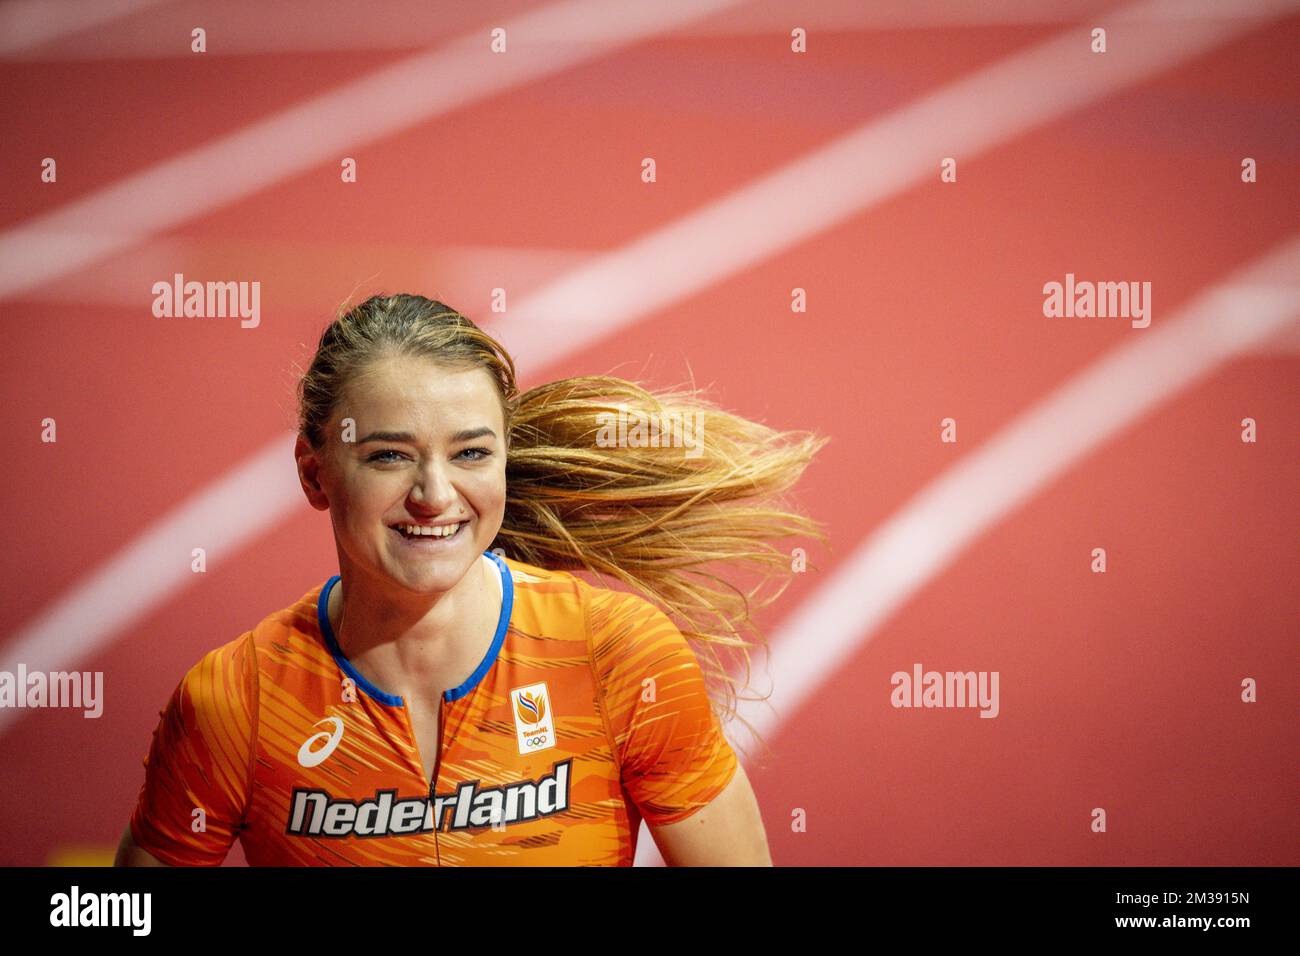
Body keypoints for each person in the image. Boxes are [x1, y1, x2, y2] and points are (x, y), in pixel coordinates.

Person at [115, 293, 827, 866]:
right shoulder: (237, 703)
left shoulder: (617, 657)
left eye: (471, 453)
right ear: (315, 472)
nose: (435, 494)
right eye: (390, 456)